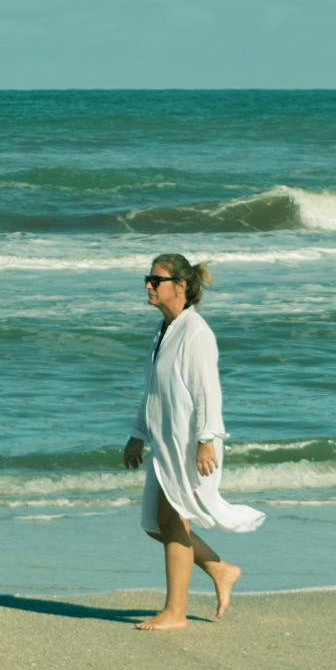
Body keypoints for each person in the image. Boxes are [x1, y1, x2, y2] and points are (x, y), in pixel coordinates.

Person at [123, 252, 264, 629]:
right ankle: (220, 569)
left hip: (189, 445)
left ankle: (175, 612)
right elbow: (152, 392)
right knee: (157, 524)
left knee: (173, 521)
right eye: (147, 280)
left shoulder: (196, 332)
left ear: (180, 287)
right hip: (163, 443)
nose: (149, 286)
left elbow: (208, 394)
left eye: (156, 280)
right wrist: (137, 435)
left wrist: (207, 440)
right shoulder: (164, 330)